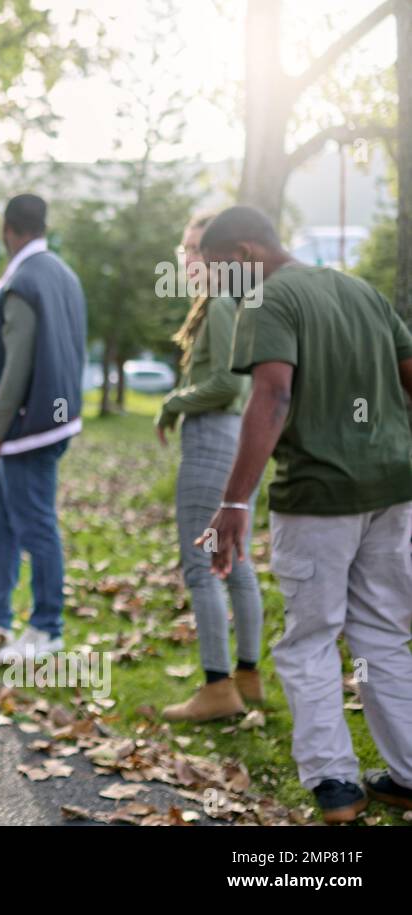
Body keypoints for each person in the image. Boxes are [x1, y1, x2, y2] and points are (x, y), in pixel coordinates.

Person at [198, 204, 412, 825]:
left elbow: (273, 393)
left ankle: (337, 788)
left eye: (217, 272)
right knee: (382, 634)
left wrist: (235, 499)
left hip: (320, 498)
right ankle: (406, 776)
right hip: (393, 489)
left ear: (242, 255)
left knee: (312, 638)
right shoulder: (359, 290)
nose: (215, 285)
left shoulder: (268, 299)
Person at [0, 194, 86, 665]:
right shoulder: (62, 273)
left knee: (35, 526)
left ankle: (47, 628)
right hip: (50, 420)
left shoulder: (24, 281)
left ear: (6, 228)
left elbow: (16, 366)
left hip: (26, 428)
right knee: (3, 520)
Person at [153, 213, 265, 722]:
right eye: (187, 250)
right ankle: (247, 676)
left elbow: (229, 384)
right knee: (235, 562)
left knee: (203, 565)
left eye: (200, 249)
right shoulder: (227, 302)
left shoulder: (223, 303)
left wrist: (174, 402)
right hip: (236, 440)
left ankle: (218, 687)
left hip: (215, 439)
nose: (192, 259)